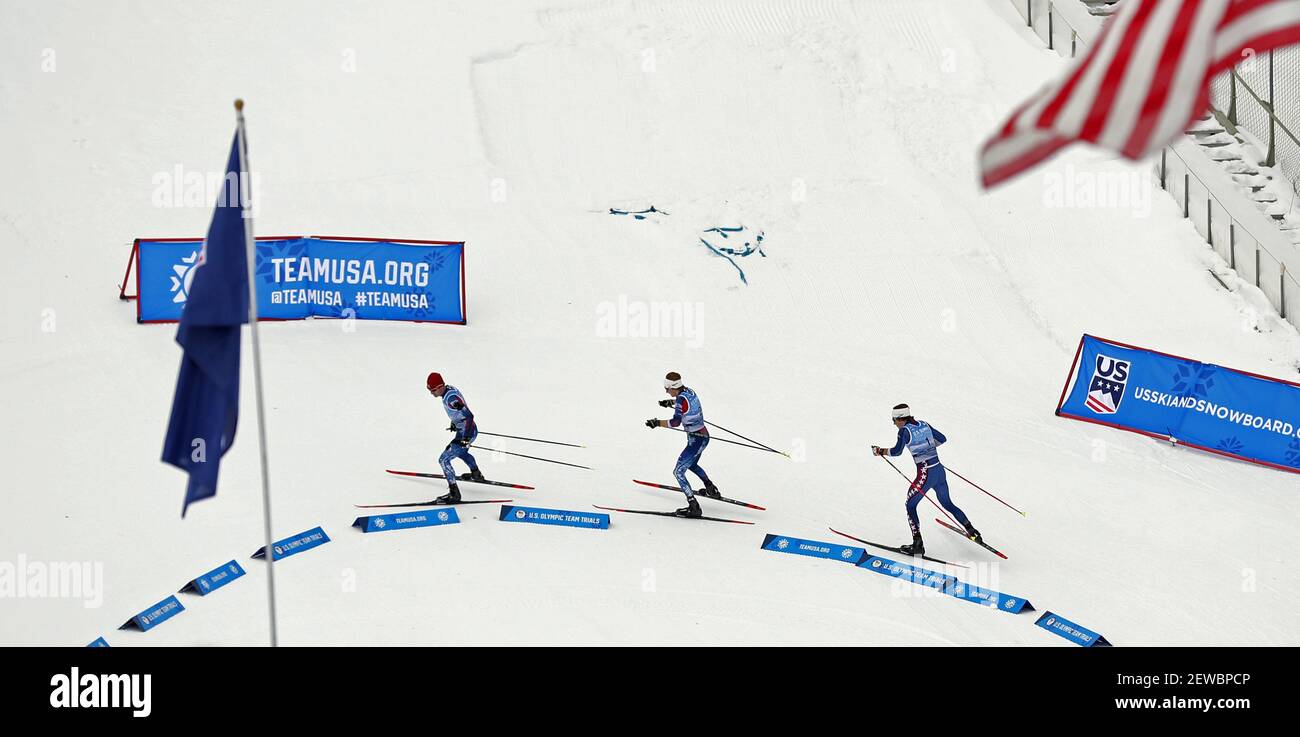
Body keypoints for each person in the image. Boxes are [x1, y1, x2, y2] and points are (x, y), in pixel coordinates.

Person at [871, 403, 980, 555]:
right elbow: (942, 439)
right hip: (939, 471)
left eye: (894, 420)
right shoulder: (924, 424)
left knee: (910, 505)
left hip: (925, 474)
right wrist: (927, 449)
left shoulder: (904, 431)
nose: (894, 424)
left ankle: (917, 545)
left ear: (900, 418)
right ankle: (972, 530)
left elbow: (896, 452)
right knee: (947, 503)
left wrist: (880, 451)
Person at [645, 372, 719, 518]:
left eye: (667, 388)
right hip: (704, 437)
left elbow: (675, 422)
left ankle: (694, 506)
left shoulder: (680, 401)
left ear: (673, 387)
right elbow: (684, 402)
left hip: (695, 441)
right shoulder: (689, 391)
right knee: (691, 464)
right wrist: (670, 402)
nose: (666, 391)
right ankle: (711, 488)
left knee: (678, 472)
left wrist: (657, 423)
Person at [427, 372, 483, 503]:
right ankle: (476, 474)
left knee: (444, 460)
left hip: (467, 433)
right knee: (462, 453)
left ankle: (454, 494)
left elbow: (469, 416)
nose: (431, 393)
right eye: (429, 390)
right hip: (464, 430)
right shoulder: (448, 390)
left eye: (433, 390)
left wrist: (466, 438)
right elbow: (458, 413)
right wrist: (455, 423)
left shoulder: (451, 399)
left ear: (440, 386)